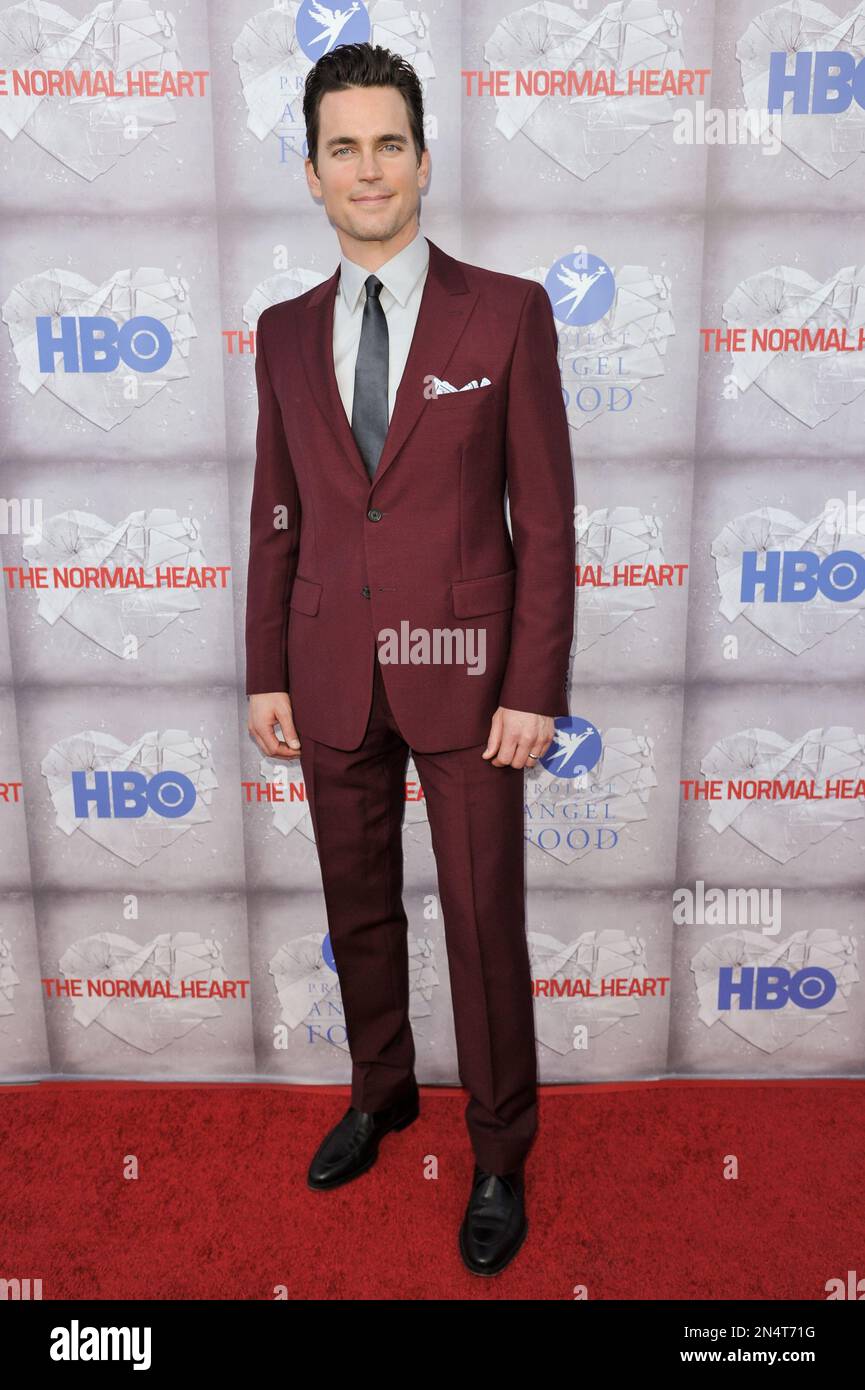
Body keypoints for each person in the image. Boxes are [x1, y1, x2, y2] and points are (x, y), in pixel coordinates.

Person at [245, 41, 575, 1277]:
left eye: (389, 143)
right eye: (343, 148)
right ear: (316, 176)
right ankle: (381, 1093)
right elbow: (277, 512)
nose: (368, 168)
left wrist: (534, 684)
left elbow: (544, 518)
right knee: (358, 907)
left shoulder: (508, 311)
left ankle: (498, 1150)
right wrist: (263, 670)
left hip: (472, 676)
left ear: (423, 161)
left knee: (486, 924)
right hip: (326, 667)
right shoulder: (280, 336)